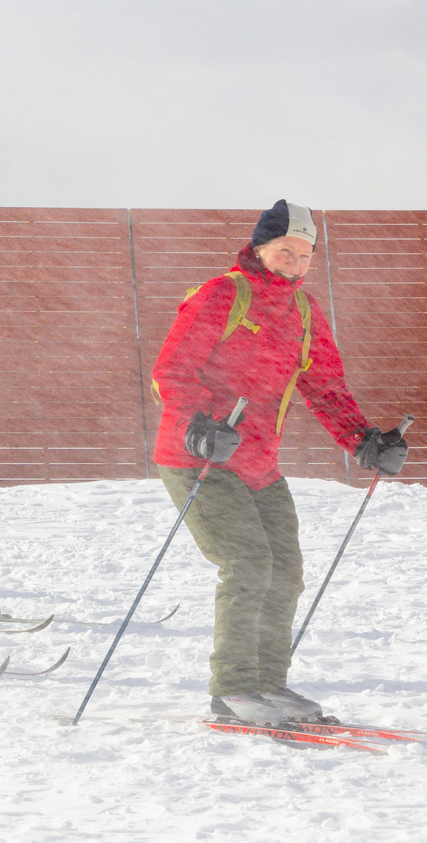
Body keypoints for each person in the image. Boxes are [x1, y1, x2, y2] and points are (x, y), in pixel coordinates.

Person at [152, 200, 410, 726]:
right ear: (260, 248)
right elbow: (171, 372)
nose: (294, 263)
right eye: (285, 251)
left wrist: (362, 439)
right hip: (197, 457)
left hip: (259, 463)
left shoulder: (305, 311)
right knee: (247, 564)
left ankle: (268, 686)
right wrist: (197, 427)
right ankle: (233, 691)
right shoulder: (223, 293)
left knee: (285, 572)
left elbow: (325, 385)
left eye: (304, 255)